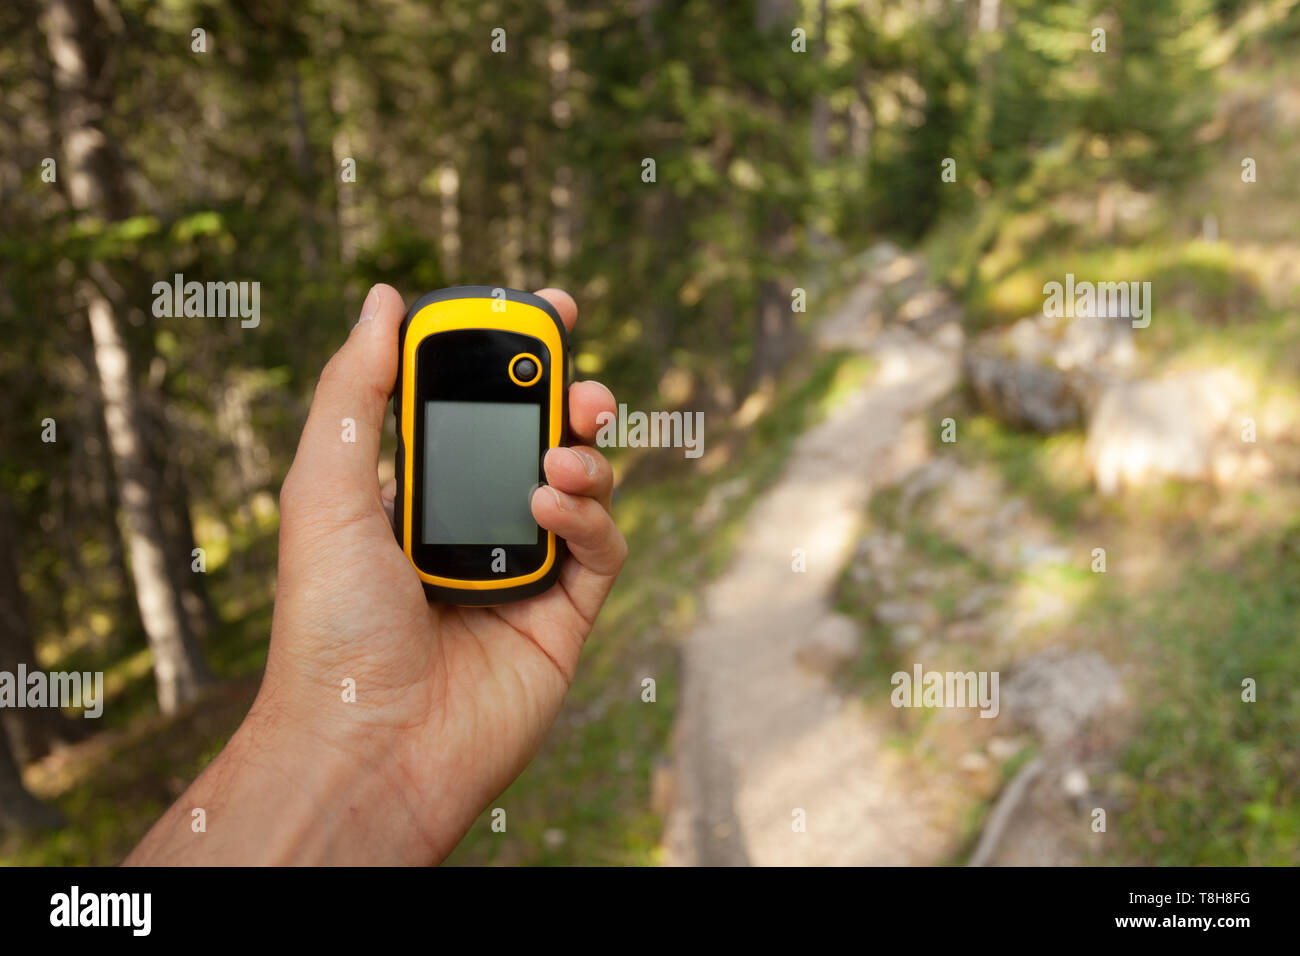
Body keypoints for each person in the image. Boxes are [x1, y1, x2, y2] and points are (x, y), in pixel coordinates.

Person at [126, 285, 627, 865]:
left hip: (506, 601)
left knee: (559, 459)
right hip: (467, 596)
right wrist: (359, 727)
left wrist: (374, 752)